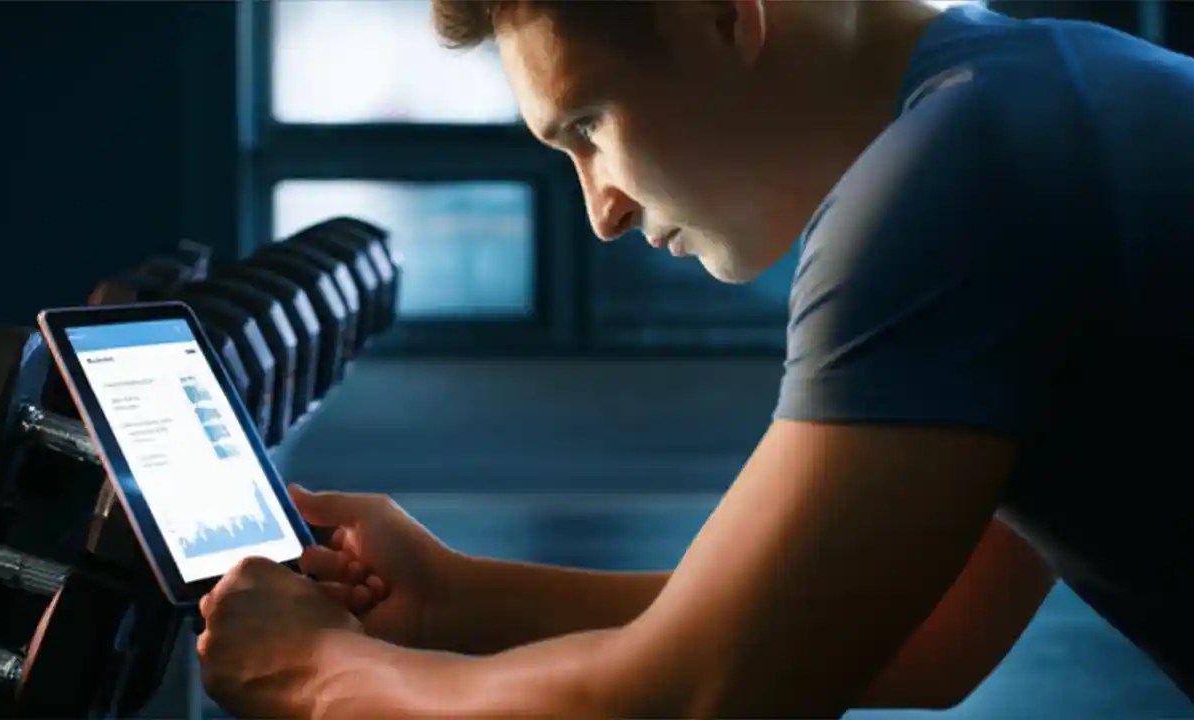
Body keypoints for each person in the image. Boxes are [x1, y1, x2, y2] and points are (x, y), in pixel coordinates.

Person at [195, 1, 1194, 716]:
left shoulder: (955, 178)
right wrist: (453, 599)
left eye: (587, 125)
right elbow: (912, 633)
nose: (598, 211)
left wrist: (322, 678)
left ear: (724, 13)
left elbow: (703, 696)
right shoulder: (1060, 87)